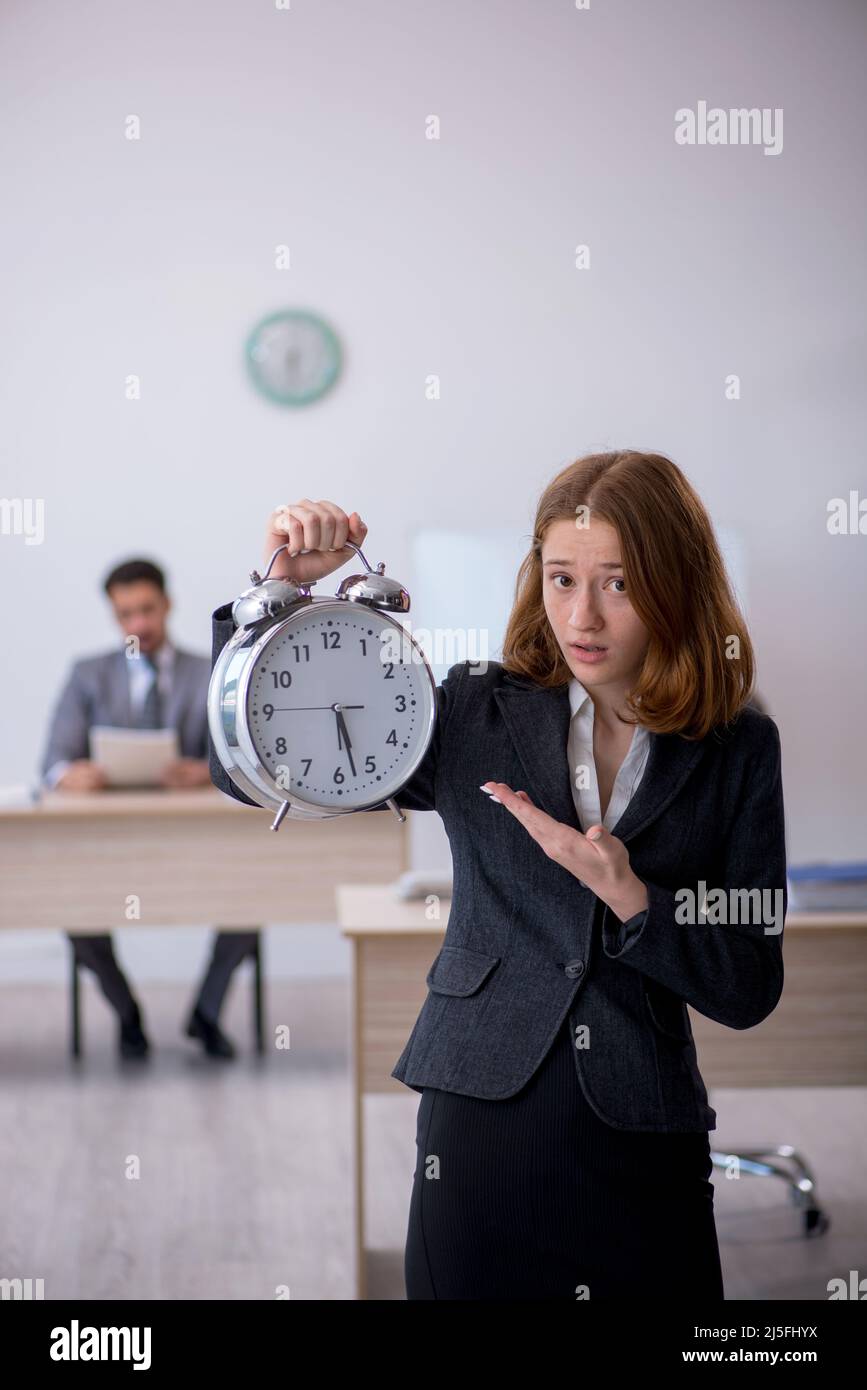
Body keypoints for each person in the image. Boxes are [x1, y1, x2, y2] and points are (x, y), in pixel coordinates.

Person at [208, 459, 787, 1300]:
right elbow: (255, 766)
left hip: (641, 1125)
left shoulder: (738, 748)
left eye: (618, 584)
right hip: (477, 1117)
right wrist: (279, 600)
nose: (580, 616)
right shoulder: (473, 708)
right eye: (561, 579)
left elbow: (748, 985)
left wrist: (632, 898)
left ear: (677, 585)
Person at [41, 557, 258, 1060]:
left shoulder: (211, 671)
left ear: (167, 605)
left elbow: (243, 756)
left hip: (194, 842)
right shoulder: (88, 675)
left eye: (146, 610)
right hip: (106, 844)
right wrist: (69, 775)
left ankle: (206, 1013)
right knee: (71, 910)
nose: (138, 624)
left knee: (252, 899)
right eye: (125, 615)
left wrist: (206, 771)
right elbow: (53, 760)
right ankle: (126, 1013)